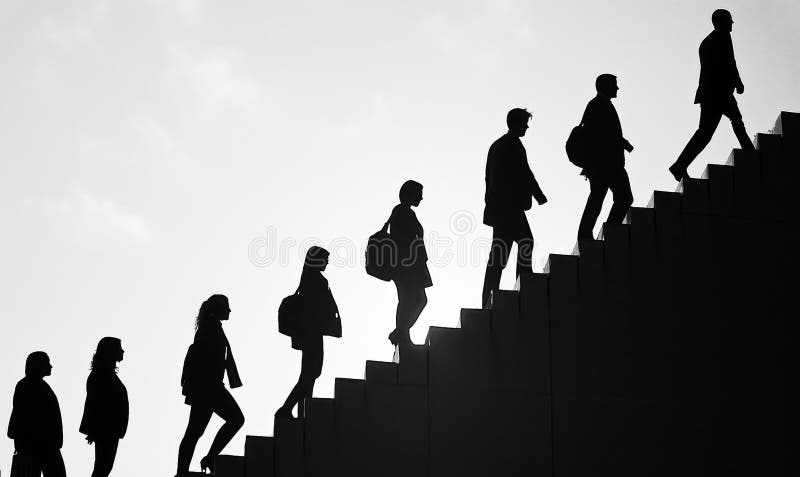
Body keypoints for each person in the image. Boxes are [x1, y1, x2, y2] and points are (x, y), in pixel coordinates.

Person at [669, 9, 755, 181]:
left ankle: (679, 166)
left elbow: (729, 62)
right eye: (729, 20)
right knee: (709, 131)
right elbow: (727, 63)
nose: (732, 23)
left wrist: (735, 83)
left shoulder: (715, 39)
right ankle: (750, 153)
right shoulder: (717, 39)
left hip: (716, 93)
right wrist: (737, 83)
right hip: (716, 93)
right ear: (721, 22)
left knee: (718, 127)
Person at [482, 109, 547, 307]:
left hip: (503, 207)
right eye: (525, 123)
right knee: (520, 243)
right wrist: (538, 194)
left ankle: (493, 296)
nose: (527, 127)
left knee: (500, 254)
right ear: (516, 123)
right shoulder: (510, 145)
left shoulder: (501, 145)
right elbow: (524, 173)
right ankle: (523, 283)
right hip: (507, 207)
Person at [177, 294, 244, 475]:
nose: (229, 310)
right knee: (196, 431)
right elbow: (203, 359)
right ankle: (189, 467)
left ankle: (204, 460)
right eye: (227, 306)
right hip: (208, 388)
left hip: (210, 387)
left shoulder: (212, 326)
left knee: (195, 431)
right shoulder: (210, 328)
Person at [275, 246, 342, 418]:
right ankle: (286, 409)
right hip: (312, 333)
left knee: (310, 374)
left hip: (310, 333)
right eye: (325, 259)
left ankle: (304, 411)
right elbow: (316, 308)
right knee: (310, 374)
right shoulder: (316, 280)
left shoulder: (309, 278)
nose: (327, 262)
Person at [576, 74, 635, 241]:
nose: (617, 88)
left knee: (599, 198)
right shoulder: (599, 104)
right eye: (614, 84)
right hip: (605, 163)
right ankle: (606, 233)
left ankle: (593, 234)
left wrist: (622, 142)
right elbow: (600, 133)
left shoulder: (600, 104)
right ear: (605, 86)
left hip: (603, 163)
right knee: (620, 197)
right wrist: (621, 143)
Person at [7, 351, 66, 477]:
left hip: (42, 446)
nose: (51, 366)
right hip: (40, 447)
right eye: (47, 363)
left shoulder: (29, 385)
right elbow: (23, 417)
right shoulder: (30, 386)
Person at [388, 180, 431, 344]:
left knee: (416, 299)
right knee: (409, 299)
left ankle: (401, 332)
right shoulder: (402, 212)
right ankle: (401, 333)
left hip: (411, 264)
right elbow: (403, 240)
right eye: (419, 194)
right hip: (407, 265)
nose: (421, 198)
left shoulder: (404, 212)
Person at [80, 337, 129, 477]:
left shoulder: (104, 374)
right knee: (103, 467)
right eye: (119, 348)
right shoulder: (100, 375)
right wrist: (94, 429)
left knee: (103, 467)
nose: (122, 351)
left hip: (110, 429)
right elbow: (94, 403)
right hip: (107, 429)